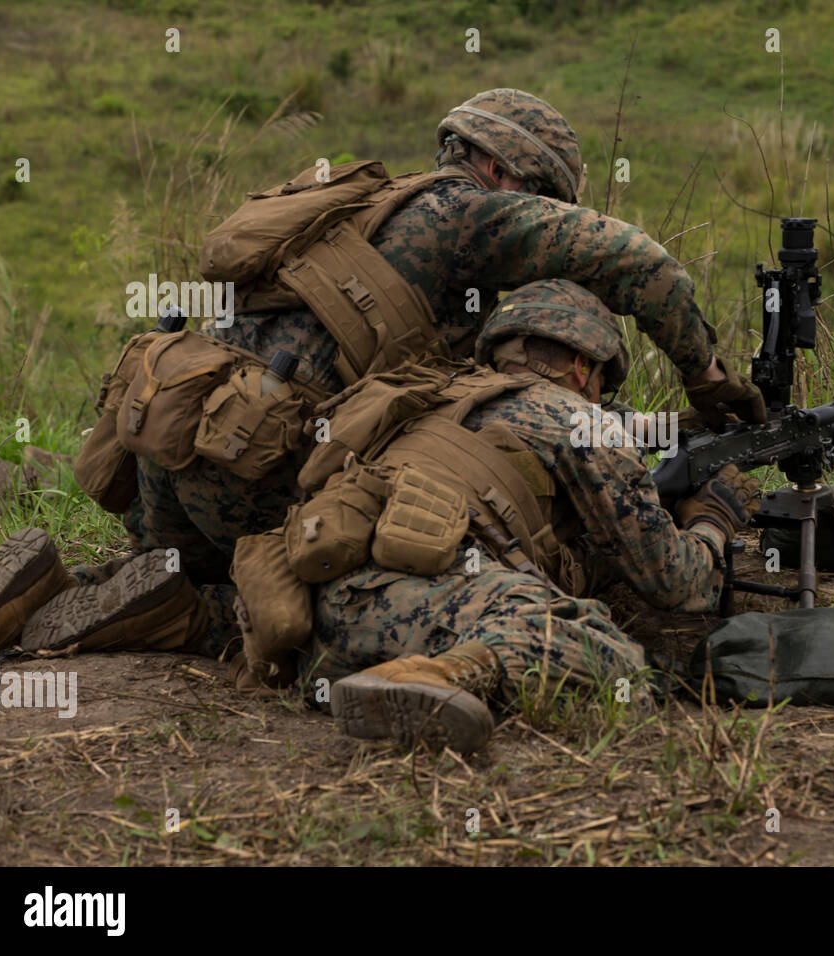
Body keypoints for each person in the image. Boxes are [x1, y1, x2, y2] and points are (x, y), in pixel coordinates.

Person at [0, 89, 764, 661]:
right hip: (257, 470)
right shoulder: (469, 214)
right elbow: (643, 263)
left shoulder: (351, 204)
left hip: (165, 455)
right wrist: (708, 378)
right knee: (350, 571)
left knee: (207, 562)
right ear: (502, 167)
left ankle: (65, 589)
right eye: (546, 200)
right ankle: (184, 613)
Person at [268, 280, 762, 754]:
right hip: (433, 599)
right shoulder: (579, 420)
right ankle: (431, 680)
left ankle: (380, 674)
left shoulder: (441, 392)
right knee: (608, 656)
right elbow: (676, 583)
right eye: (601, 384)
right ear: (581, 363)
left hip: (321, 612)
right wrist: (713, 522)